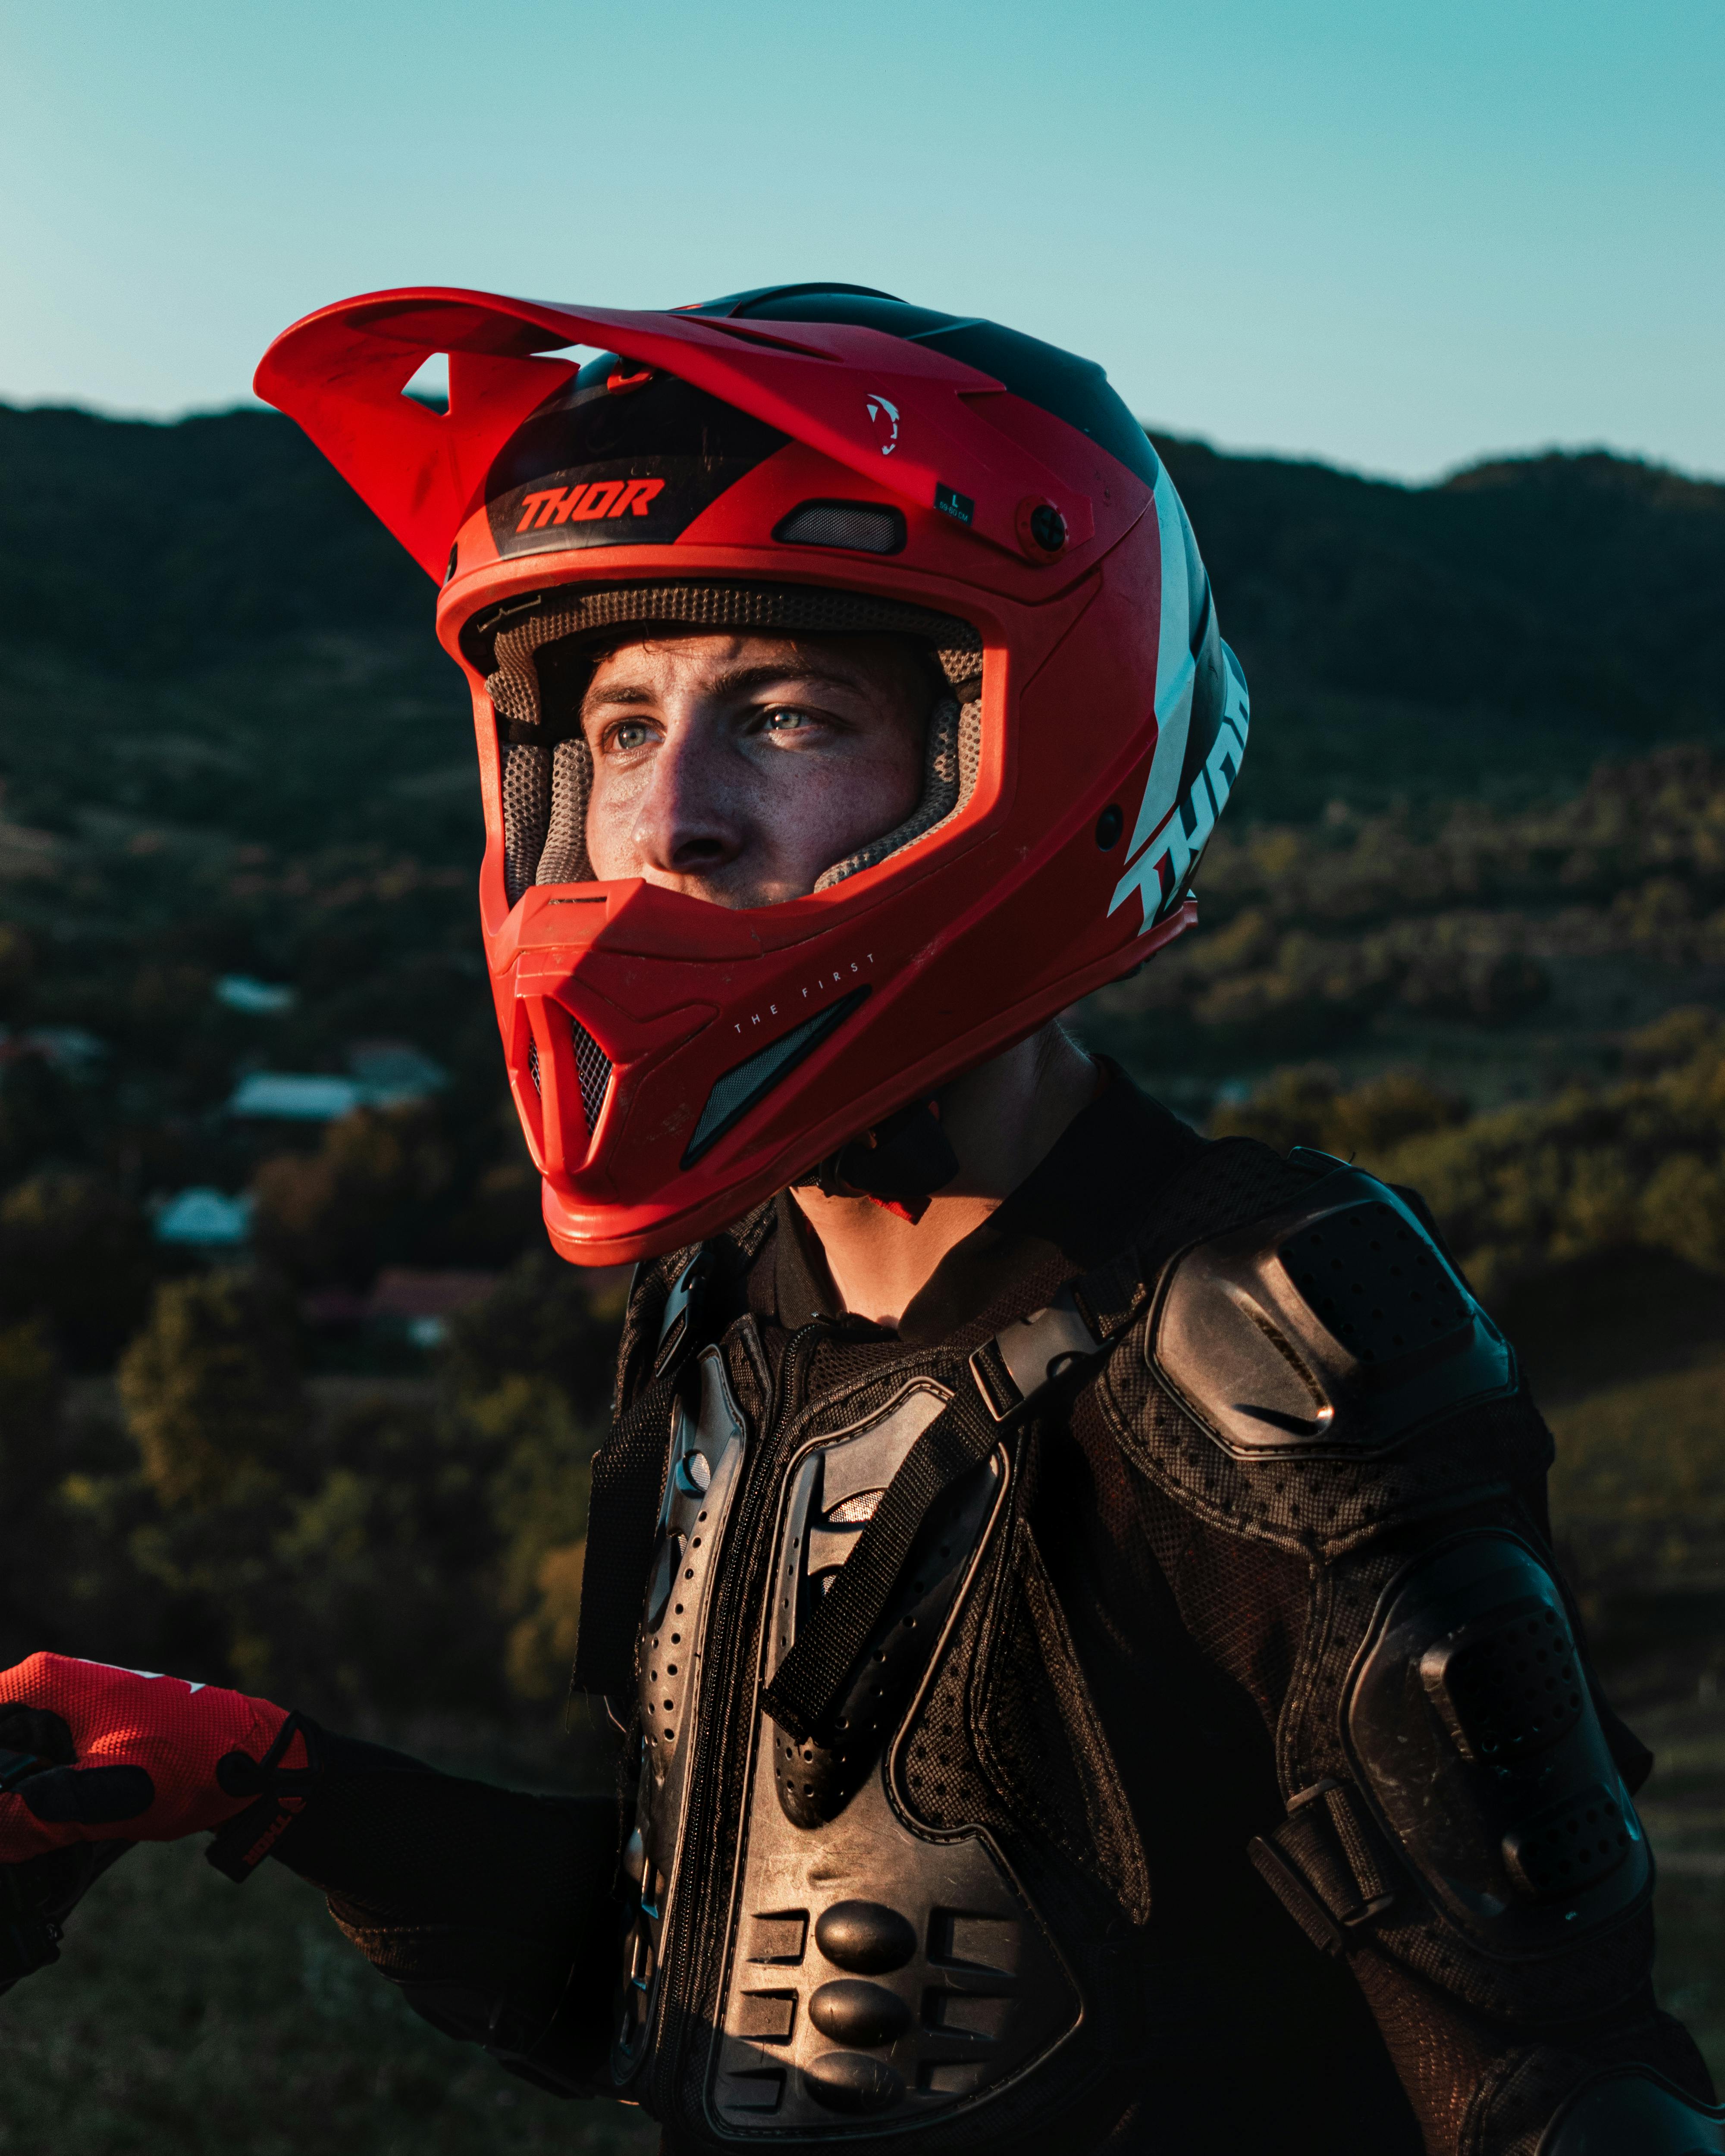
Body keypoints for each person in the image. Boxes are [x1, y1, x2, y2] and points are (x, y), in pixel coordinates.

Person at [0, 282, 1718, 2156]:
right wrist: (266, 1783)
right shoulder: (725, 1306)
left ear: (1026, 745)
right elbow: (711, 1985)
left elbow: (1556, 2079)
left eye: (786, 713)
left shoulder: (1259, 1343)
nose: (672, 817)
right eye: (622, 724)